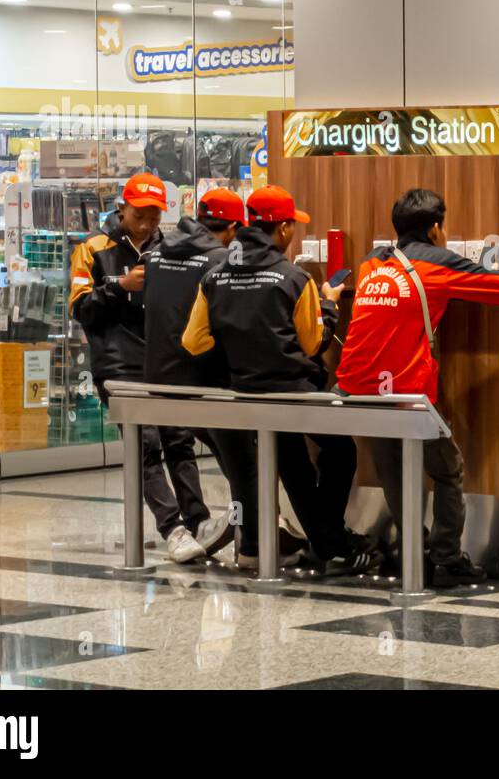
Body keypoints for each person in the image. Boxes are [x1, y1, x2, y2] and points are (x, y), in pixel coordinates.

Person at [181, 185, 378, 576]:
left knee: (293, 466)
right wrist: (328, 304)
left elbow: (193, 340)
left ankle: (330, 545)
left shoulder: (215, 276)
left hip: (246, 392)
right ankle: (331, 542)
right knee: (340, 453)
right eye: (293, 226)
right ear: (284, 229)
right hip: (293, 392)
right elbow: (312, 343)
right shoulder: (293, 278)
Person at [335, 188, 499, 588]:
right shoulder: (436, 261)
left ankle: (412, 548)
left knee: (394, 473)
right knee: (448, 468)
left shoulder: (372, 263)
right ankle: (446, 556)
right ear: (436, 228)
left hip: (357, 386)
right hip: (404, 392)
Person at [71, 172, 213, 563]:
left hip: (163, 361)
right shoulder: (92, 249)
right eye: (140, 216)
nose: (148, 224)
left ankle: (199, 520)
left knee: (179, 439)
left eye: (154, 216)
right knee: (145, 444)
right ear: (122, 210)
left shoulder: (167, 248)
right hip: (117, 363)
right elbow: (80, 307)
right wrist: (120, 286)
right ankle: (173, 528)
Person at [142, 188, 250, 559]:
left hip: (159, 377)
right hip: (205, 379)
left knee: (177, 448)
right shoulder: (220, 260)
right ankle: (247, 532)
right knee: (238, 460)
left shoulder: (156, 255)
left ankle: (201, 524)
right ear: (233, 227)